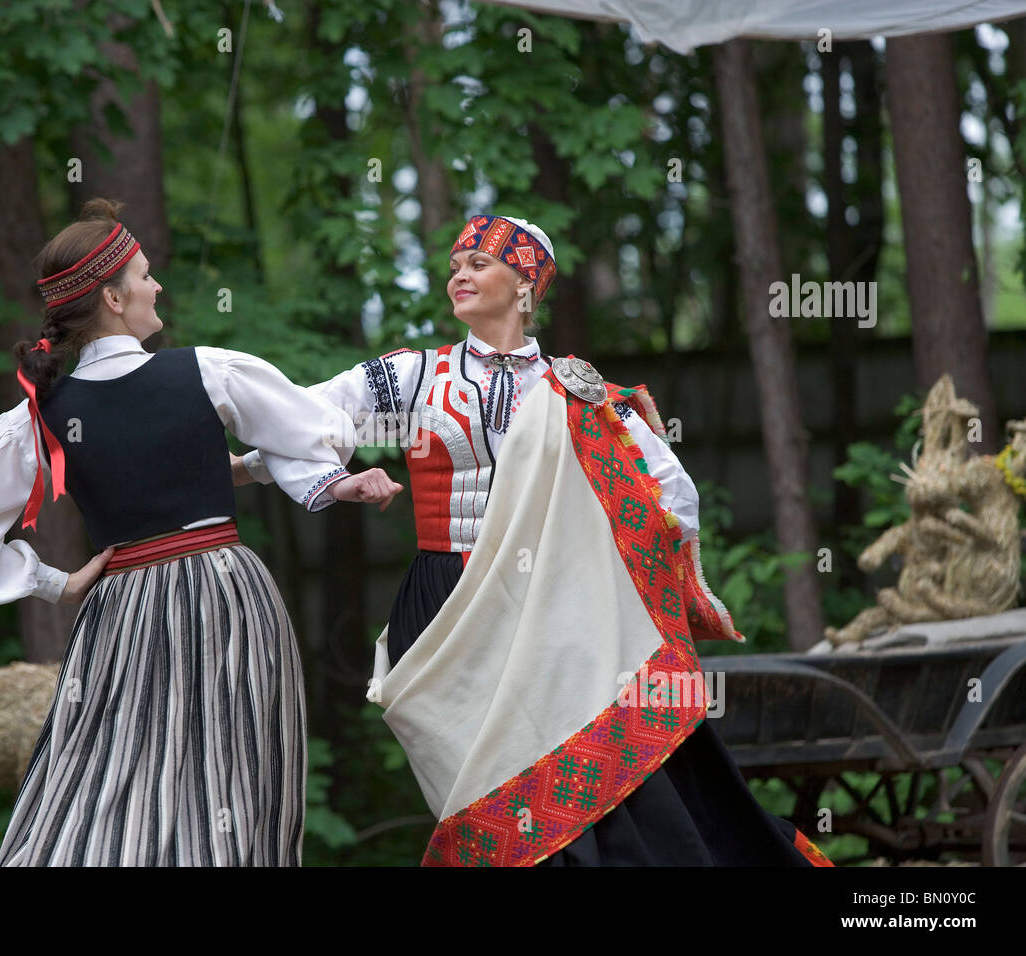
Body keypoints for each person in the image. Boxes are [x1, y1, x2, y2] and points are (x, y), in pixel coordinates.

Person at [237, 213, 833, 867]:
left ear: (525, 286)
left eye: (478, 265)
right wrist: (252, 464)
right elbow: (308, 419)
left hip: (547, 610)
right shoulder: (414, 377)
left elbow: (665, 490)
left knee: (584, 798)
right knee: (479, 793)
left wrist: (644, 589)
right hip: (444, 606)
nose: (458, 276)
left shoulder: (573, 389)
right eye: (454, 266)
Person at [0, 198, 401, 867]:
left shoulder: (38, 415)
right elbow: (317, 429)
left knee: (102, 781)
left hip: (122, 607)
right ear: (114, 299)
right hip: (226, 596)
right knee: (233, 780)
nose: (158, 287)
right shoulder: (205, 370)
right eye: (145, 275)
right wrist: (319, 475)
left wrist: (55, 584)